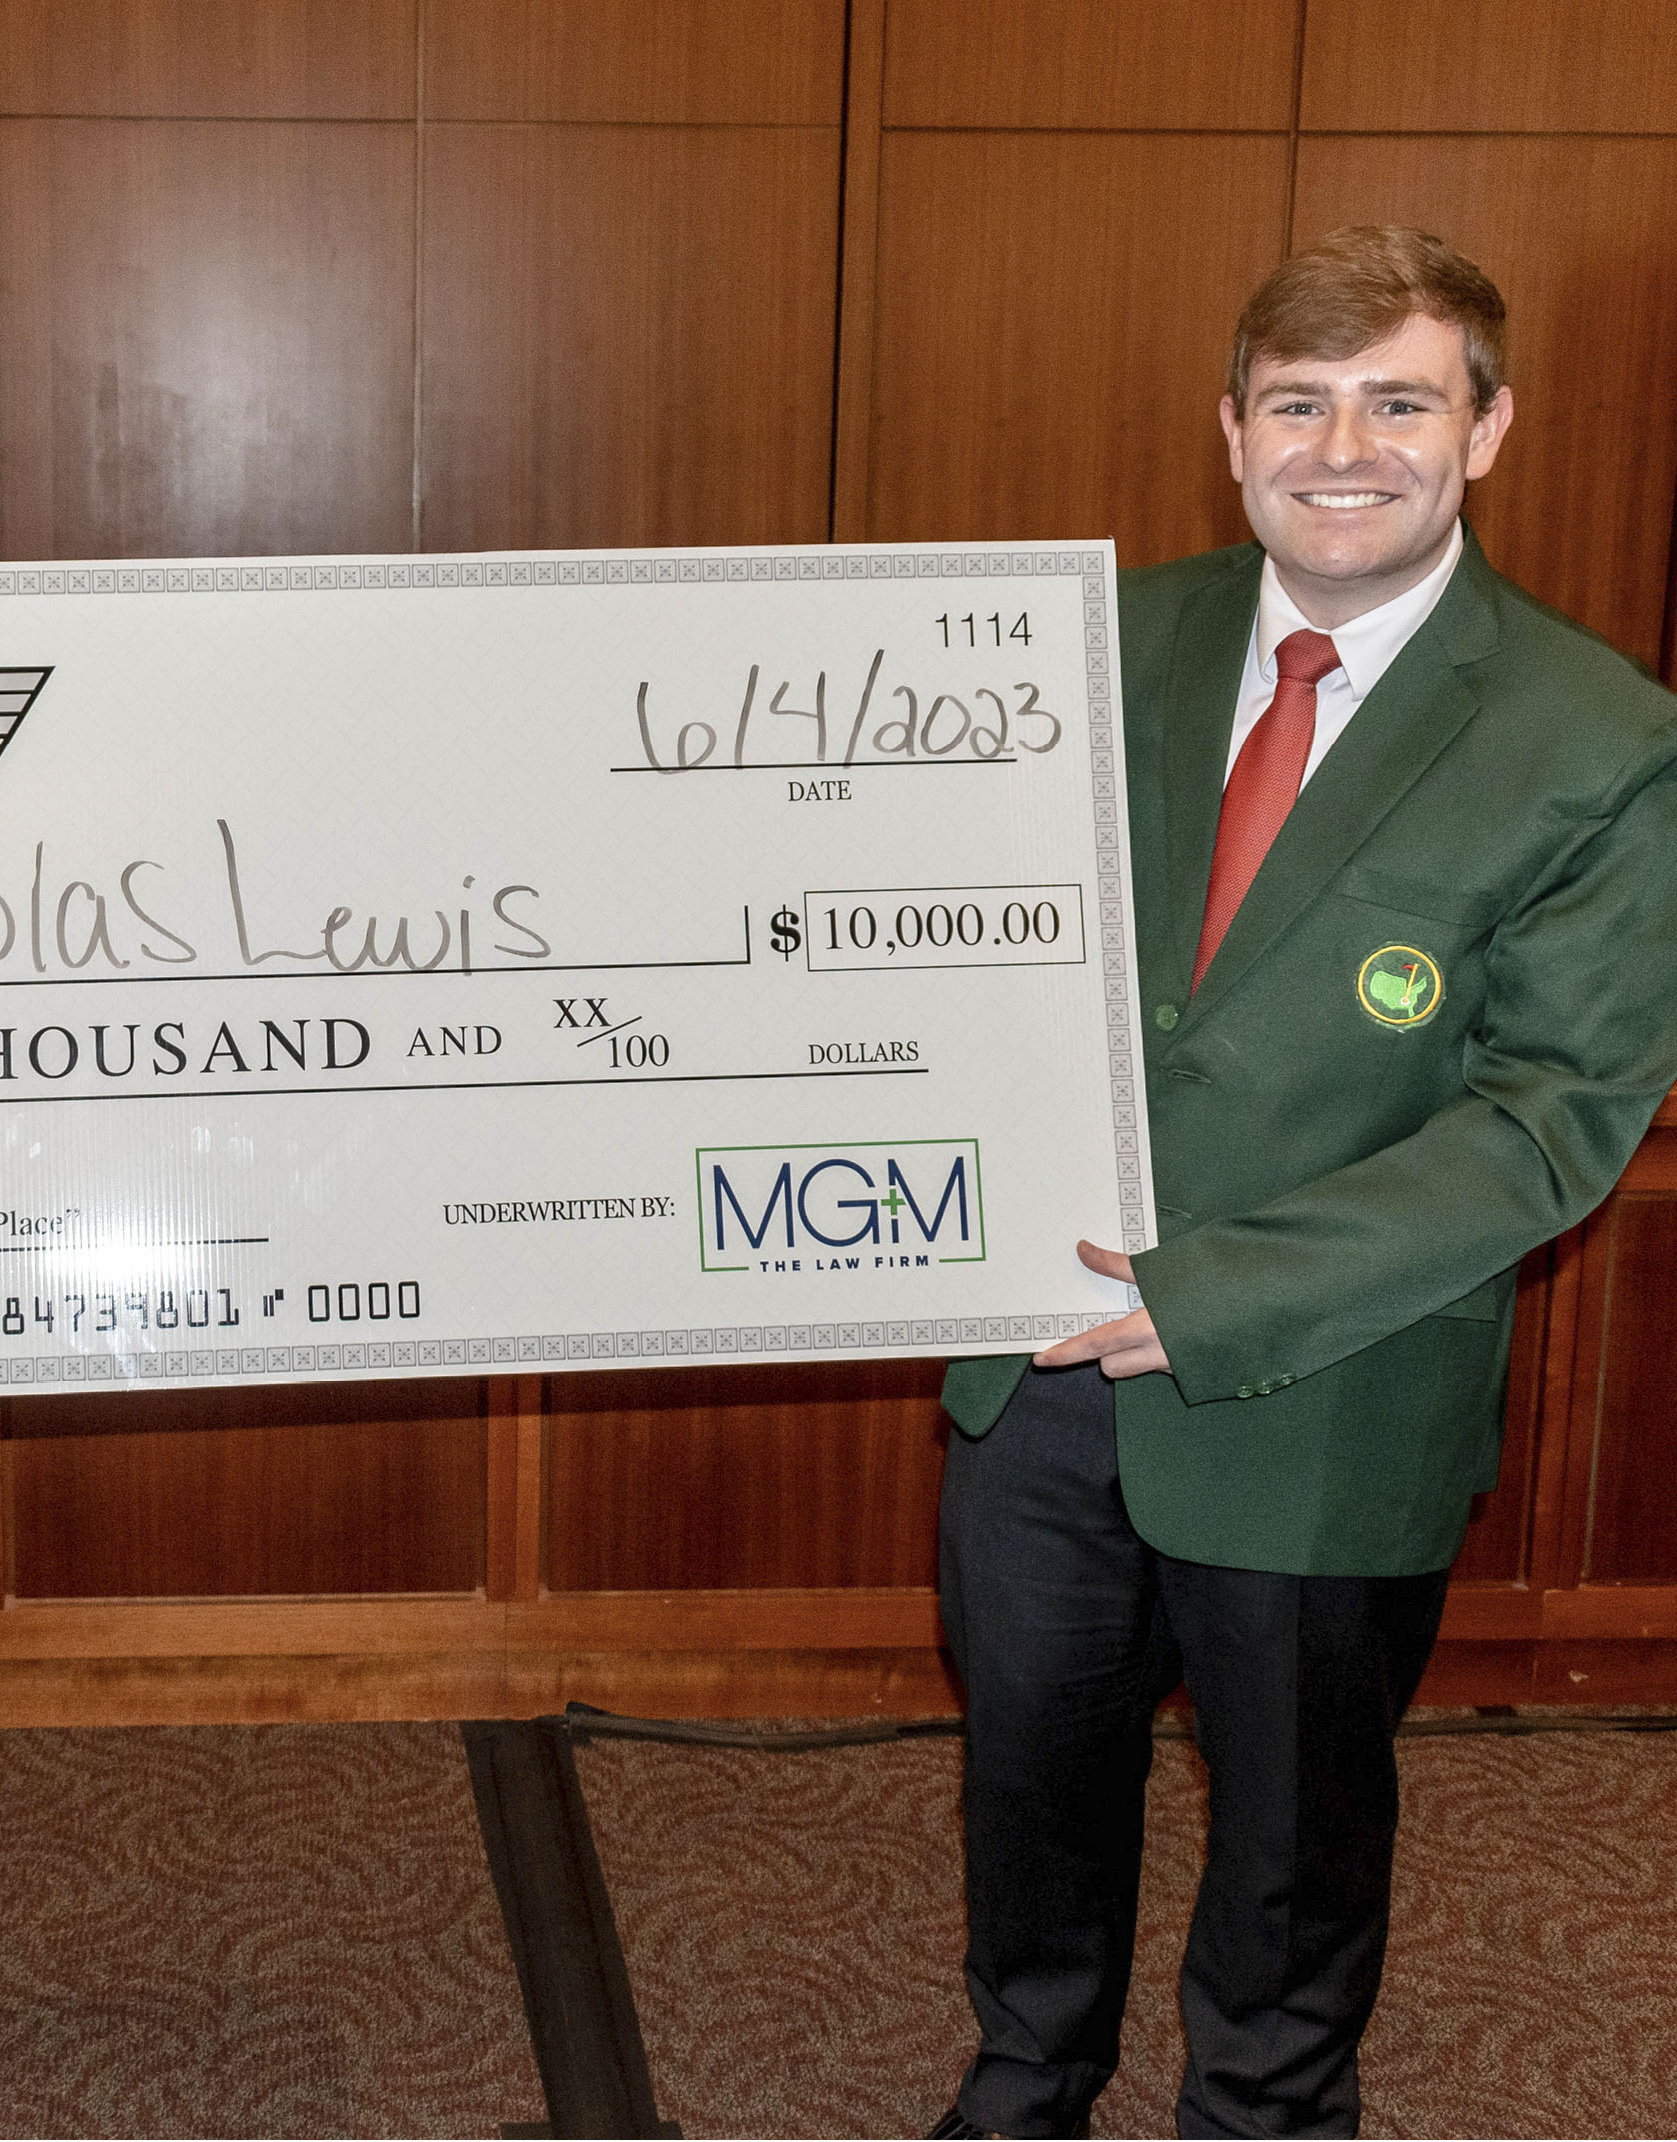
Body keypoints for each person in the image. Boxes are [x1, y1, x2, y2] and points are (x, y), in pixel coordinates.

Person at [929, 225, 1677, 2139]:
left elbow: (1551, 1118)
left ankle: (1262, 2120)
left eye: (1401, 400)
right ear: (1233, 430)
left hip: (1328, 1393)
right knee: (1028, 1775)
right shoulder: (1080, 643)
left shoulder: (1601, 742)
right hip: (1029, 1370)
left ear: (1486, 430)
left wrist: (1209, 1291)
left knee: (1288, 1845)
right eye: (1299, 402)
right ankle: (1028, 2081)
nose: (1345, 446)